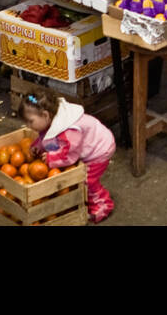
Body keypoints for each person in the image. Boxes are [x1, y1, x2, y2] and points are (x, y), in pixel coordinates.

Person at [19, 90, 117, 222]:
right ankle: (84, 199)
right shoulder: (52, 120)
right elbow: (49, 137)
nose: (28, 126)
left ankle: (103, 205)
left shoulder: (69, 131)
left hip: (99, 149)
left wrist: (51, 158)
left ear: (45, 115)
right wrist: (39, 146)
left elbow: (68, 156)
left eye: (30, 121)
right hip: (87, 145)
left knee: (86, 179)